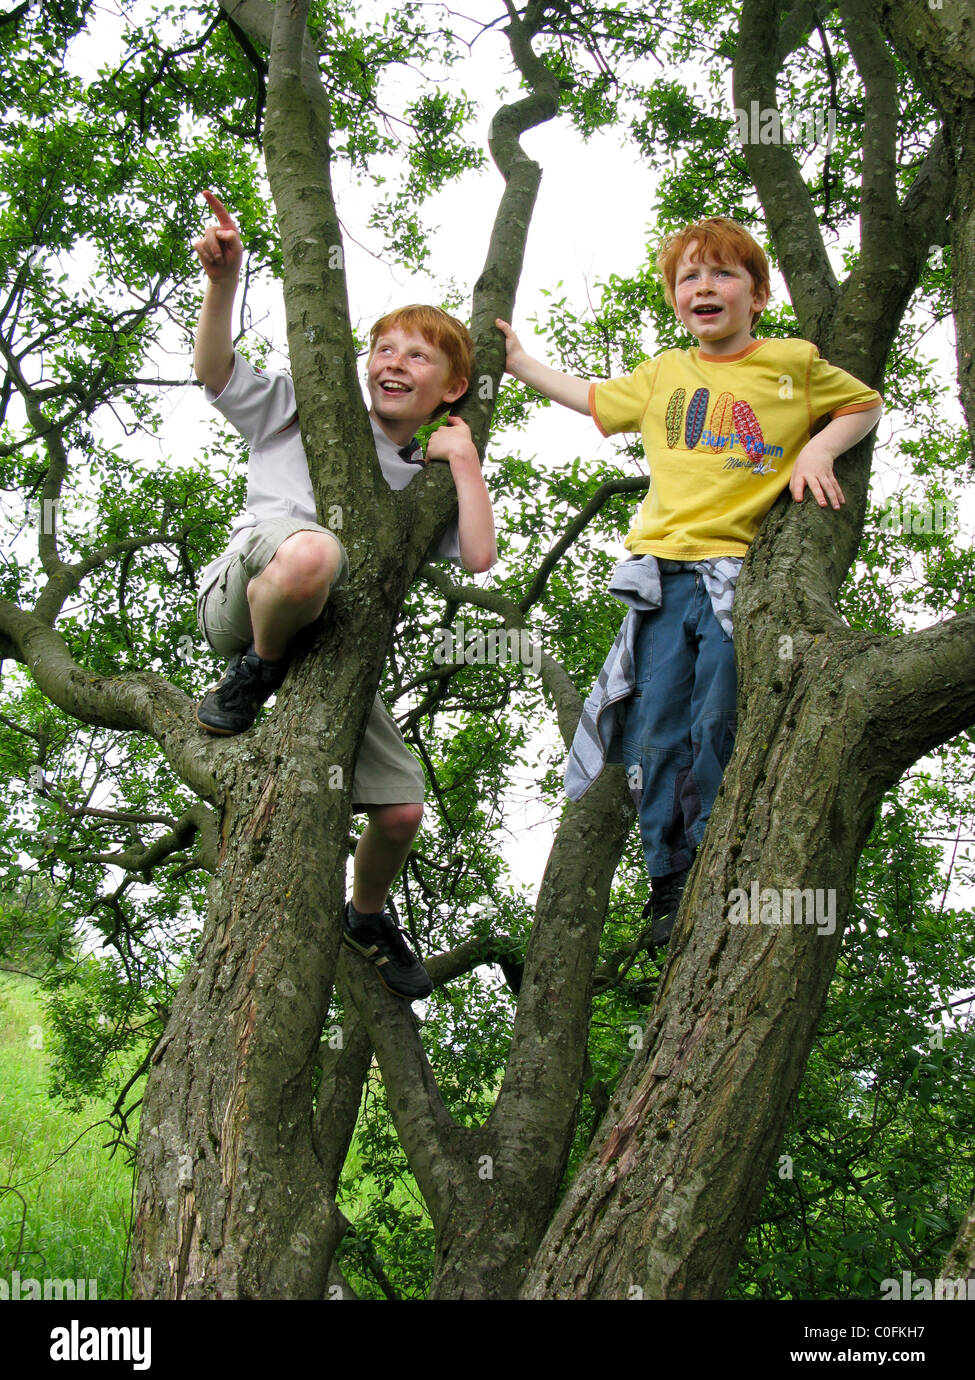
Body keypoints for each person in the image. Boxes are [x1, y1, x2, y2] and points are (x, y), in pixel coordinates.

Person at [496, 216, 882, 946]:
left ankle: (713, 846)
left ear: (757, 294)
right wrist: (519, 363)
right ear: (676, 300)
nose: (703, 287)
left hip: (739, 574)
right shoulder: (664, 373)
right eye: (687, 278)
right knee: (654, 728)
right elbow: (588, 398)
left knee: (717, 717)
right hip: (661, 576)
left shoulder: (791, 363)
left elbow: (862, 403)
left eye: (722, 273)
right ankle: (668, 876)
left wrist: (818, 452)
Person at [192, 191, 497, 998]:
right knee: (312, 552)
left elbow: (477, 556)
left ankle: (364, 914)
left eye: (418, 356)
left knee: (399, 810)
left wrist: (462, 463)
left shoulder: (421, 478)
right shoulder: (306, 405)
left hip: (324, 637)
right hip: (250, 589)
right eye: (383, 348)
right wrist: (224, 283)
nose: (393, 362)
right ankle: (250, 674)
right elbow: (215, 373)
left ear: (454, 388)